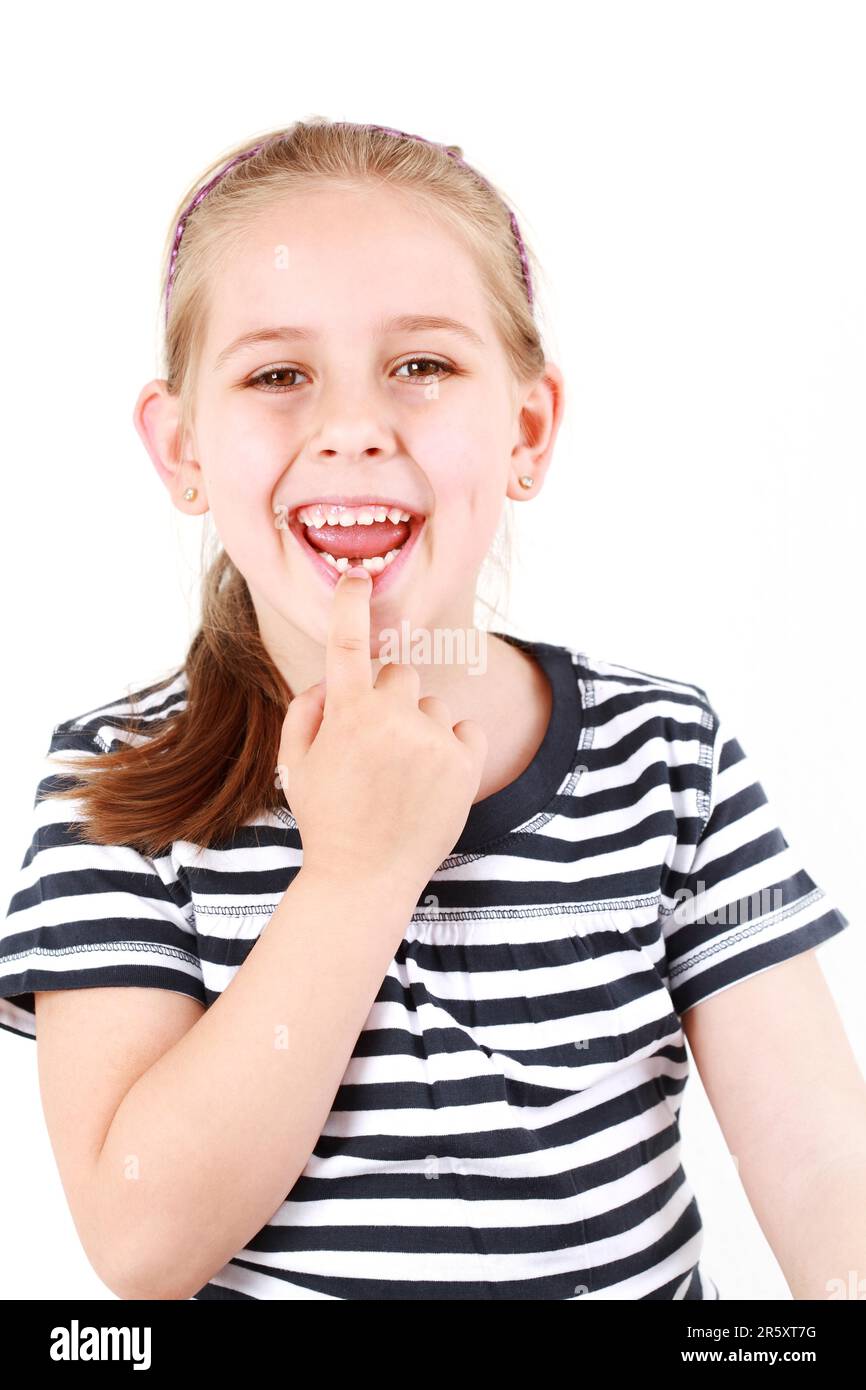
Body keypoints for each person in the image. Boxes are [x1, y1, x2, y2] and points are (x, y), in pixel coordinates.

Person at [0, 119, 861, 1302]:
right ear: (182, 446)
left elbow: (828, 1180)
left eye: (421, 365)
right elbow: (142, 1243)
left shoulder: (667, 756)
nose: (352, 426)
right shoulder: (114, 779)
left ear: (526, 427)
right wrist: (357, 874)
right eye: (276, 374)